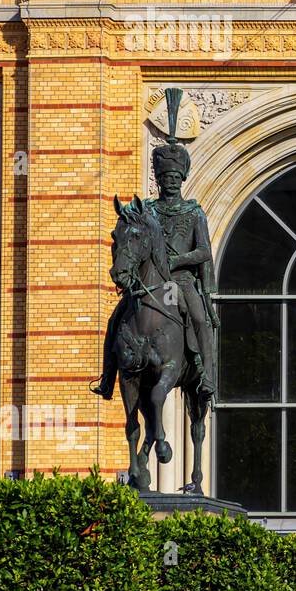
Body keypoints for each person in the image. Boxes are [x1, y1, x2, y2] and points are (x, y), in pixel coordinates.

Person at [93, 133, 219, 402]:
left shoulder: (193, 212)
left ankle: (207, 374)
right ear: (158, 181)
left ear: (182, 179)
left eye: (174, 178)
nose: (169, 183)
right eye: (164, 179)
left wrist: (176, 261)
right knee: (116, 319)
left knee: (198, 318)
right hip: (150, 282)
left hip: (181, 281)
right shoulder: (147, 210)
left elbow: (204, 251)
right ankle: (107, 377)